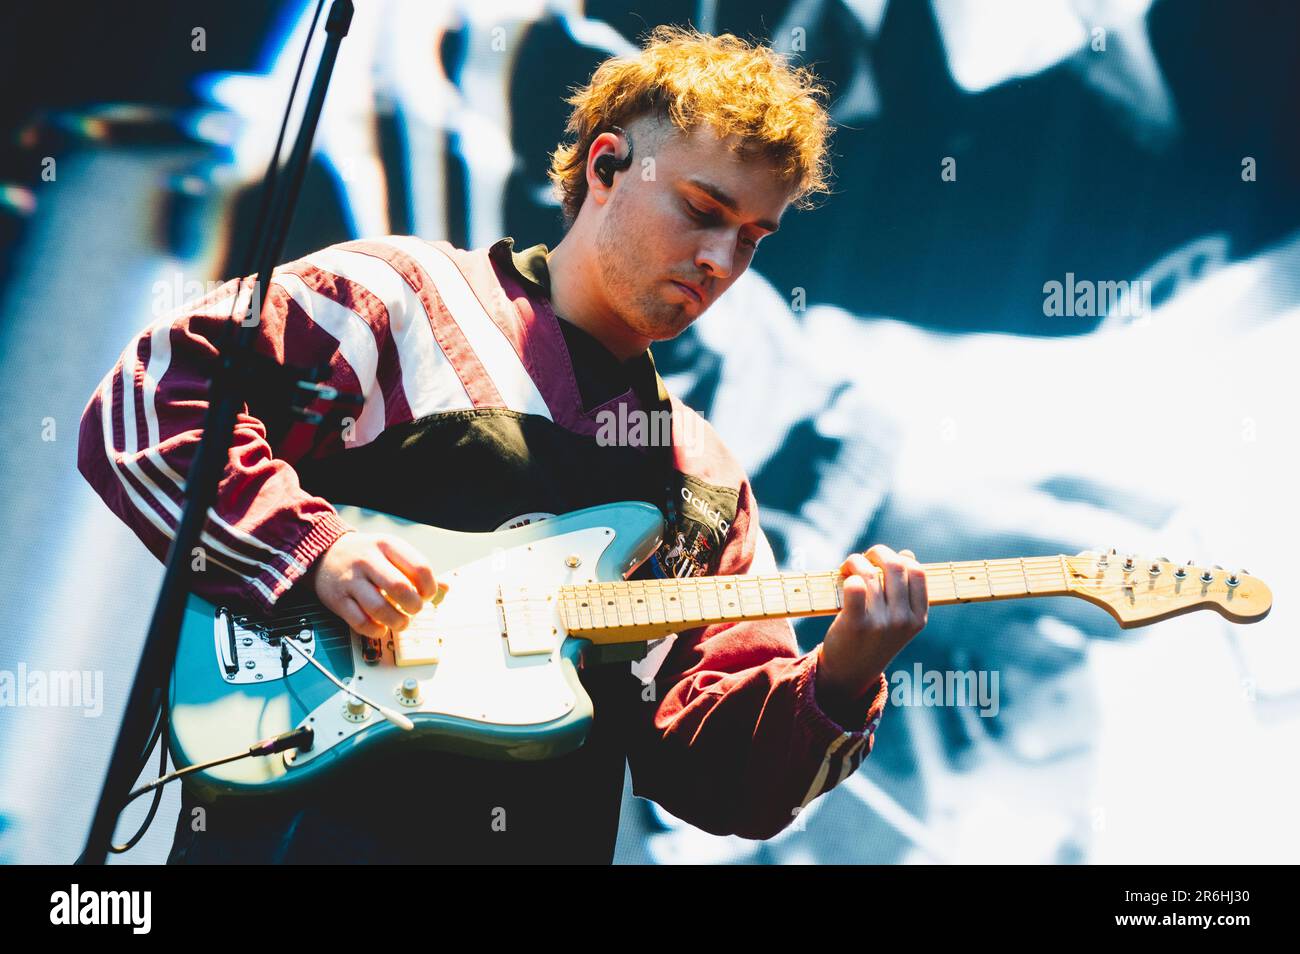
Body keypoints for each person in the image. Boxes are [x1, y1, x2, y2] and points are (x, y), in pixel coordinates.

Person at [76, 25, 928, 863]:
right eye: (702, 211)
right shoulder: (398, 297)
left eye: (751, 237)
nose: (720, 260)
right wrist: (313, 551)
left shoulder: (706, 487)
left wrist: (841, 678)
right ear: (605, 167)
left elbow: (720, 784)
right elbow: (145, 403)